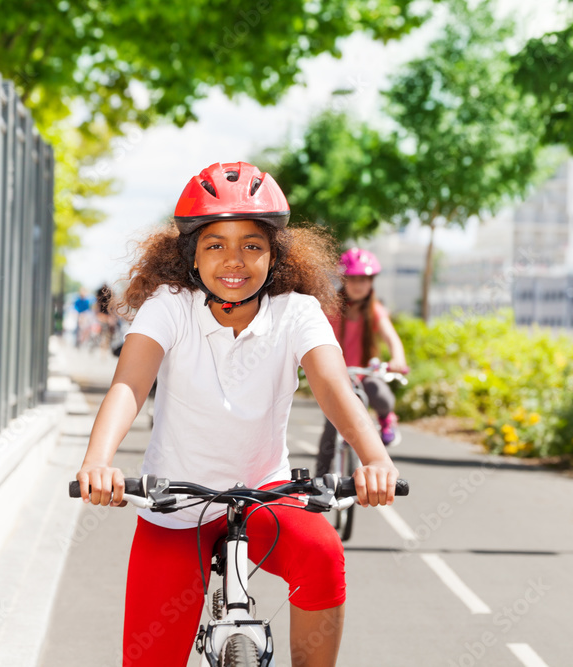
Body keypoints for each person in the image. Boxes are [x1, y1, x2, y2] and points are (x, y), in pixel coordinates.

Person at [74, 162, 399, 667]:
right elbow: (129, 386)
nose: (234, 260)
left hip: (268, 494)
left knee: (324, 556)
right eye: (214, 244)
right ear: (191, 257)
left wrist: (374, 458)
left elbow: (335, 388)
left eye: (252, 244)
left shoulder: (297, 312)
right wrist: (98, 460)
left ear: (275, 254)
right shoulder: (170, 305)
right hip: (174, 503)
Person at [315, 248, 408, 478]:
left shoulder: (374, 310)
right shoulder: (330, 307)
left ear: (371, 282)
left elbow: (391, 338)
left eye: (365, 279)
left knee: (382, 395)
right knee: (330, 432)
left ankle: (387, 418)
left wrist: (397, 359)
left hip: (364, 374)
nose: (359, 285)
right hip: (337, 378)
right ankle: (320, 483)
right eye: (353, 279)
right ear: (344, 280)